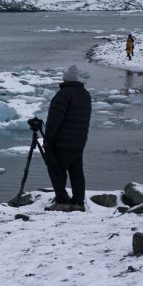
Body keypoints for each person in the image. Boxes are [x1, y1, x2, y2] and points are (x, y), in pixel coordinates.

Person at [43, 65, 92, 212]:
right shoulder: (85, 94)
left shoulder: (63, 95)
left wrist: (48, 140)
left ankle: (62, 201)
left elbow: (54, 120)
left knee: (56, 169)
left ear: (66, 79)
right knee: (76, 171)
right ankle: (78, 202)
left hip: (62, 141)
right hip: (79, 141)